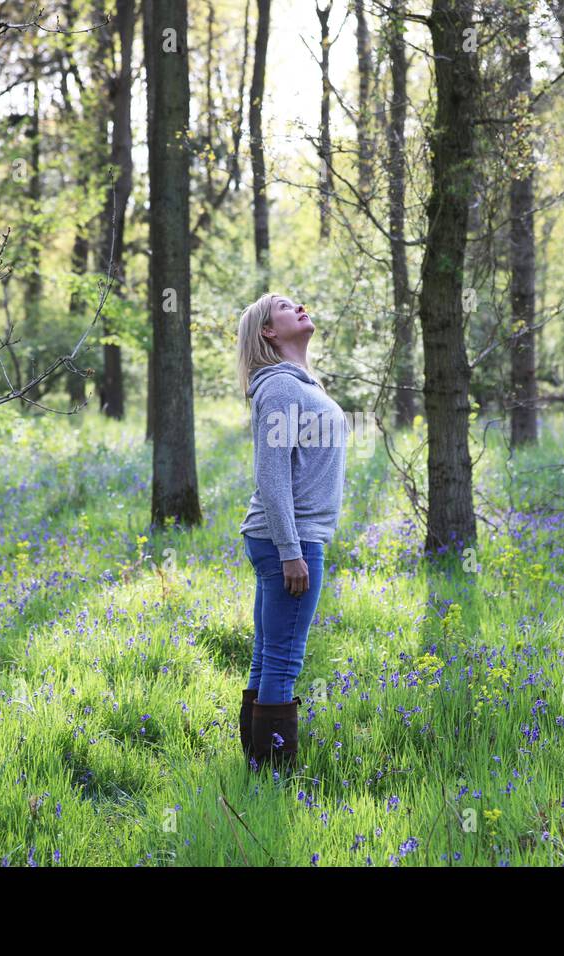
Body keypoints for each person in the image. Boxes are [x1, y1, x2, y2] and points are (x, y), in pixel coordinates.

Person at [234, 291, 347, 771]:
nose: (300, 306)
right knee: (283, 660)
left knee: (268, 655)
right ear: (268, 331)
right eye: (285, 307)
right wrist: (291, 550)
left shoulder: (299, 384)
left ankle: (256, 769)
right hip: (290, 540)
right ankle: (274, 778)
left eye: (300, 302)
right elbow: (272, 475)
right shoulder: (280, 387)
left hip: (288, 536)